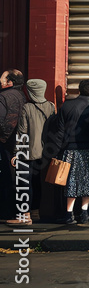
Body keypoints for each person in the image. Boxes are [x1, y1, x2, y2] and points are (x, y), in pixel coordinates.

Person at [49, 78, 89, 225]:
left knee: (70, 182)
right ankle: (84, 213)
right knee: (88, 181)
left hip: (68, 149)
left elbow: (59, 131)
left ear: (79, 89)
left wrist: (57, 151)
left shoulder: (66, 106)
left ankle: (68, 214)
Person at [6, 79, 55, 226]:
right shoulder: (51, 106)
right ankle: (35, 212)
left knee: (24, 183)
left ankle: (24, 216)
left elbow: (22, 133)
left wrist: (16, 153)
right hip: (45, 152)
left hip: (27, 152)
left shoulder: (26, 108)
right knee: (38, 183)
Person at [0, 69, 26, 220]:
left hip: (7, 143)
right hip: (22, 141)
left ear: (10, 82)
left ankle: (8, 211)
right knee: (21, 177)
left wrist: (3, 137)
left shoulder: (3, 96)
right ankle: (23, 210)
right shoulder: (23, 96)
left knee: (7, 177)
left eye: (2, 79)